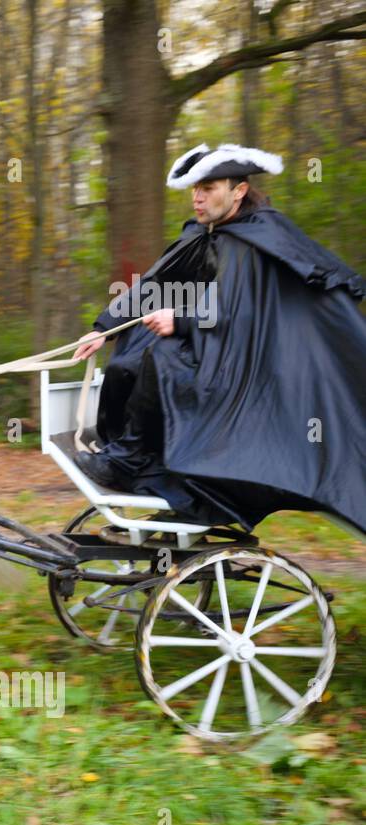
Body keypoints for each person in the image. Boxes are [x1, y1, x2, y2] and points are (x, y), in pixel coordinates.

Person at [69, 142, 366, 533]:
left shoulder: (262, 237)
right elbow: (157, 285)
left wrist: (184, 322)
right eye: (195, 189)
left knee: (164, 356)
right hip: (219, 351)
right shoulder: (208, 233)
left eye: (208, 188)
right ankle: (133, 456)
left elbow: (247, 313)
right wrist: (103, 328)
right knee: (131, 356)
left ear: (238, 191)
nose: (197, 197)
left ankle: (131, 462)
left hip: (253, 374)